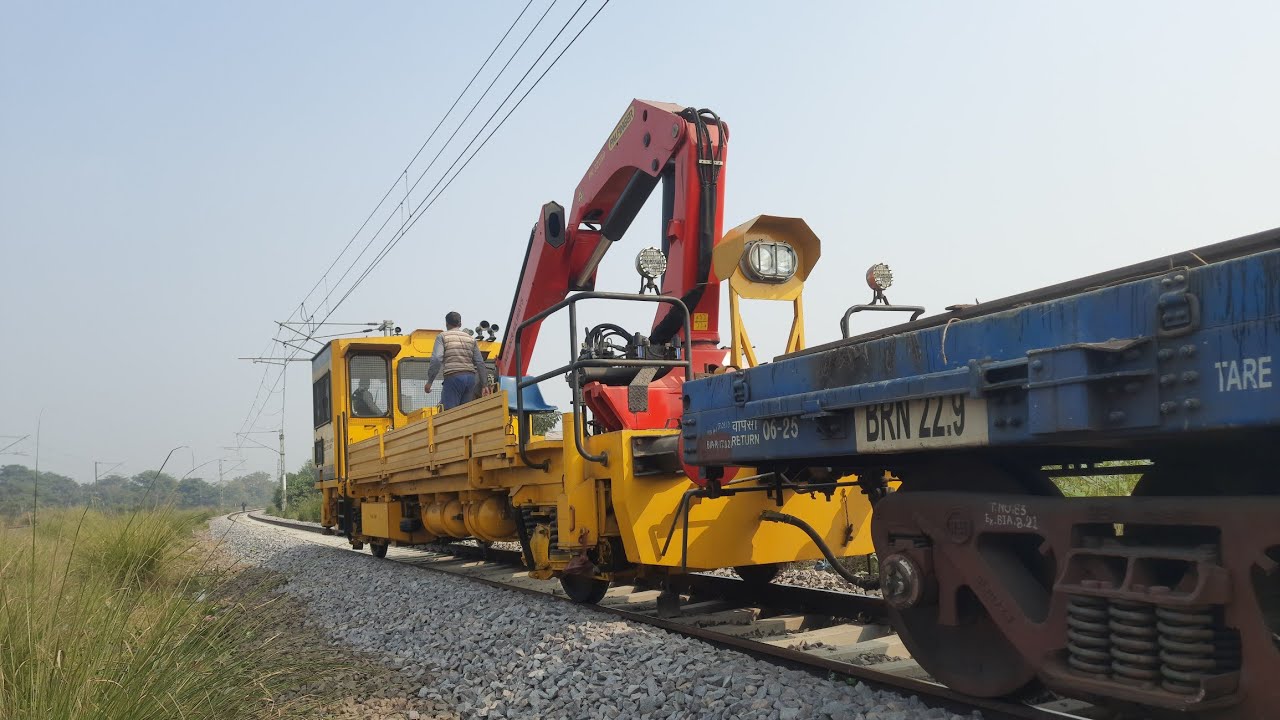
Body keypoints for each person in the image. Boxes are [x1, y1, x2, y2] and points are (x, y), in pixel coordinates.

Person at [424, 311, 491, 410]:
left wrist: (430, 381)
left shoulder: (442, 336)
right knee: (464, 413)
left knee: (450, 414)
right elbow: (480, 362)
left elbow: (437, 358)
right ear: (460, 324)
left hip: (453, 378)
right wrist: (484, 385)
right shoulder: (471, 339)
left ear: (446, 324)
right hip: (470, 379)